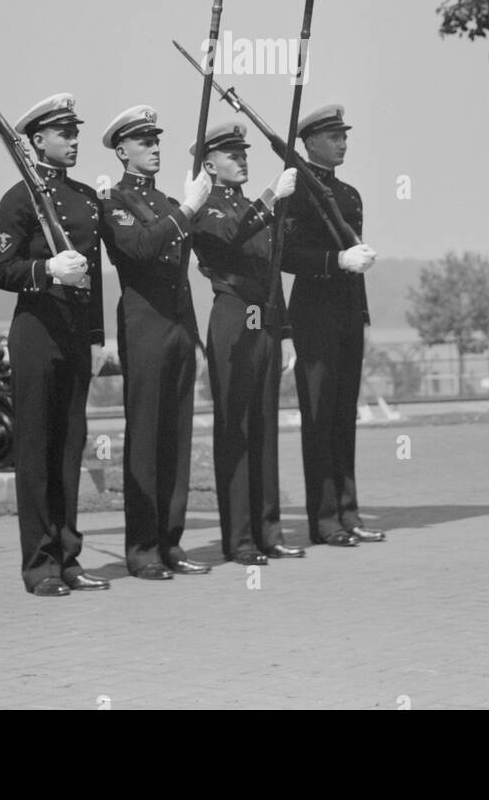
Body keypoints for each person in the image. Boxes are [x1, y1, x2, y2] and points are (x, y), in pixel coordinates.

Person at [0, 94, 110, 598]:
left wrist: (97, 336)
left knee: (70, 446)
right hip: (37, 332)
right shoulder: (19, 199)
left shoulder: (84, 198)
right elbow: (1, 270)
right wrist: (45, 271)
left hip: (75, 334)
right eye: (64, 133)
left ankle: (68, 555)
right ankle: (39, 564)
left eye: (75, 132)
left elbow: (95, 272)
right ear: (37, 140)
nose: (74, 140)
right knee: (37, 448)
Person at [100, 105, 212, 581]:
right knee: (145, 438)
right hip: (143, 330)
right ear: (123, 150)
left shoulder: (168, 202)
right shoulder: (114, 202)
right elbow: (141, 250)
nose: (155, 147)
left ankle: (171, 540)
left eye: (157, 140)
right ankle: (143, 548)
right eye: (145, 142)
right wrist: (188, 210)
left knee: (177, 439)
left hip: (177, 331)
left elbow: (182, 276)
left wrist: (194, 337)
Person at [189, 120, 303, 566]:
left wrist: (286, 331)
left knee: (264, 427)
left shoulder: (253, 206)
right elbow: (233, 232)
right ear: (210, 164)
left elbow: (271, 270)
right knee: (235, 428)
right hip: (233, 315)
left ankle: (267, 531)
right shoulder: (207, 206)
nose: (242, 160)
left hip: (263, 318)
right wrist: (272, 195)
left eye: (244, 153)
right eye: (232, 155)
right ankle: (238, 539)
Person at [281, 105, 384, 547]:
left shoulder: (350, 194)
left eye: (345, 135)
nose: (343, 142)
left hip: (345, 314)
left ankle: (349, 511)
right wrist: (334, 261)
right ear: (310, 143)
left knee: (344, 416)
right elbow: (283, 256)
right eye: (334, 136)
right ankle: (324, 519)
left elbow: (356, 264)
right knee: (319, 416)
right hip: (313, 314)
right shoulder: (296, 192)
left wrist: (360, 316)